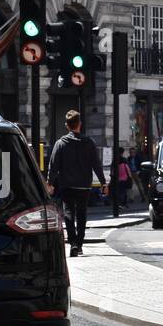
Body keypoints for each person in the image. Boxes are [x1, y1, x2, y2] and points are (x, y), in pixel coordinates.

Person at [47, 110, 108, 257]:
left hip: (67, 184)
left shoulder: (60, 143)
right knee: (82, 214)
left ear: (67, 125)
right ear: (79, 124)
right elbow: (96, 165)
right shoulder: (89, 143)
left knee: (68, 212)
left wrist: (50, 183)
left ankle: (73, 242)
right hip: (84, 185)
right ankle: (79, 244)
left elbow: (53, 165)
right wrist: (103, 183)